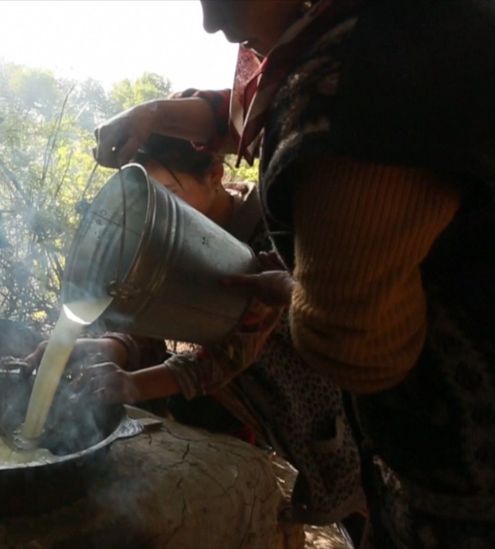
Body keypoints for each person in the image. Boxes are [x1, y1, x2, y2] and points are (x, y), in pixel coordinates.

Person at [90, 0, 495, 547]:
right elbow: (255, 111)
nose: (210, 22)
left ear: (213, 176)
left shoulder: (372, 74)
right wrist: (153, 115)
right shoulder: (374, 33)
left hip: (484, 489)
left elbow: (353, 344)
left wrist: (292, 291)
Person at [22, 131, 365, 525]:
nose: (158, 212)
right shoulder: (166, 239)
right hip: (265, 407)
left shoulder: (272, 232)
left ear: (214, 173)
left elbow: (233, 351)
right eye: (149, 201)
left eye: (169, 193)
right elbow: (151, 322)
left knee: (360, 495)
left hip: (327, 402)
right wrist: (105, 347)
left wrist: (132, 385)